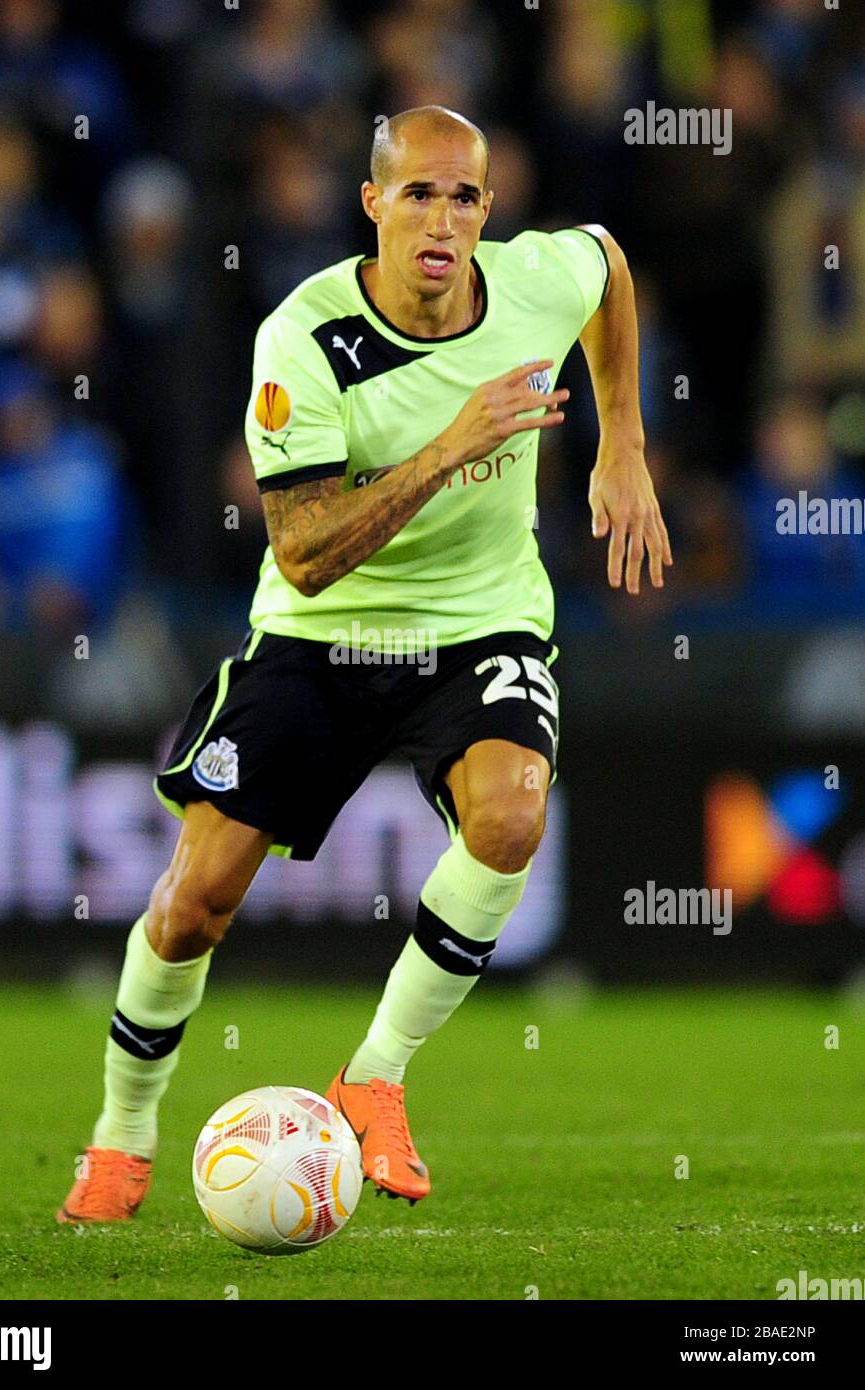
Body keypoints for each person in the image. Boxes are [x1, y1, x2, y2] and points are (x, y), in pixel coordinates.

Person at [57, 105, 670, 1223]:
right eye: (418, 193)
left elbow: (609, 267)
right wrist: (449, 446)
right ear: (372, 204)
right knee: (194, 903)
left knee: (511, 820)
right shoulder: (303, 336)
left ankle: (374, 1074)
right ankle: (120, 1136)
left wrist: (621, 441)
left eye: (464, 196)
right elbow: (302, 554)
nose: (441, 218)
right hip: (320, 636)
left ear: (487, 209)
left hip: (477, 625)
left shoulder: (534, 279)